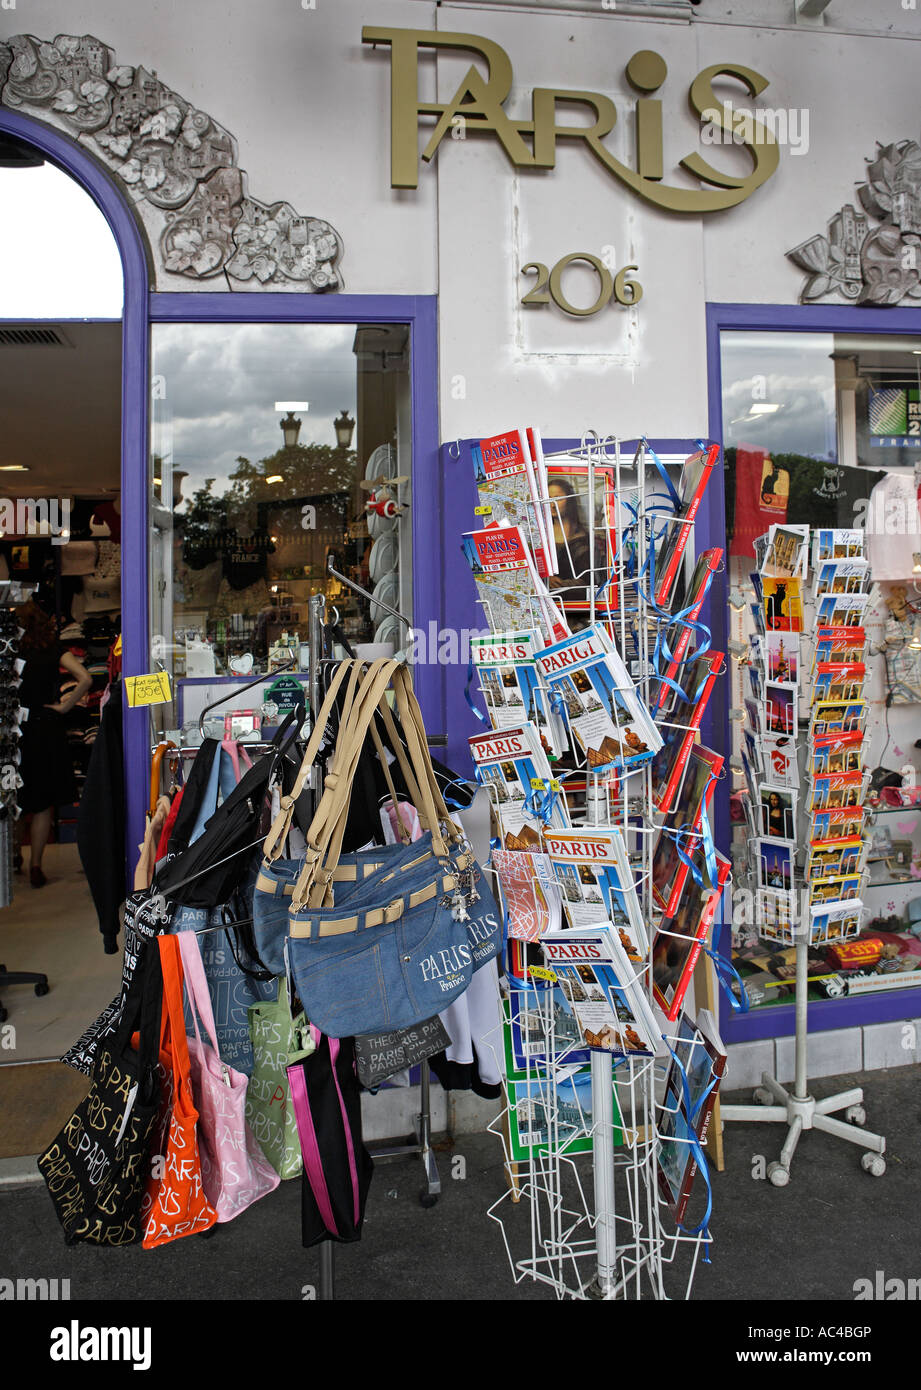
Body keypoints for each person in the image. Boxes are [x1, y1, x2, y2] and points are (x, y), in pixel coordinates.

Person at [16, 599, 92, 887]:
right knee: (45, 801)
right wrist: (64, 706)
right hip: (46, 725)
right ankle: (36, 864)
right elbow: (84, 678)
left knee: (16, 796)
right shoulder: (52, 649)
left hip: (16, 728)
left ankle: (13, 854)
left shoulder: (10, 652)